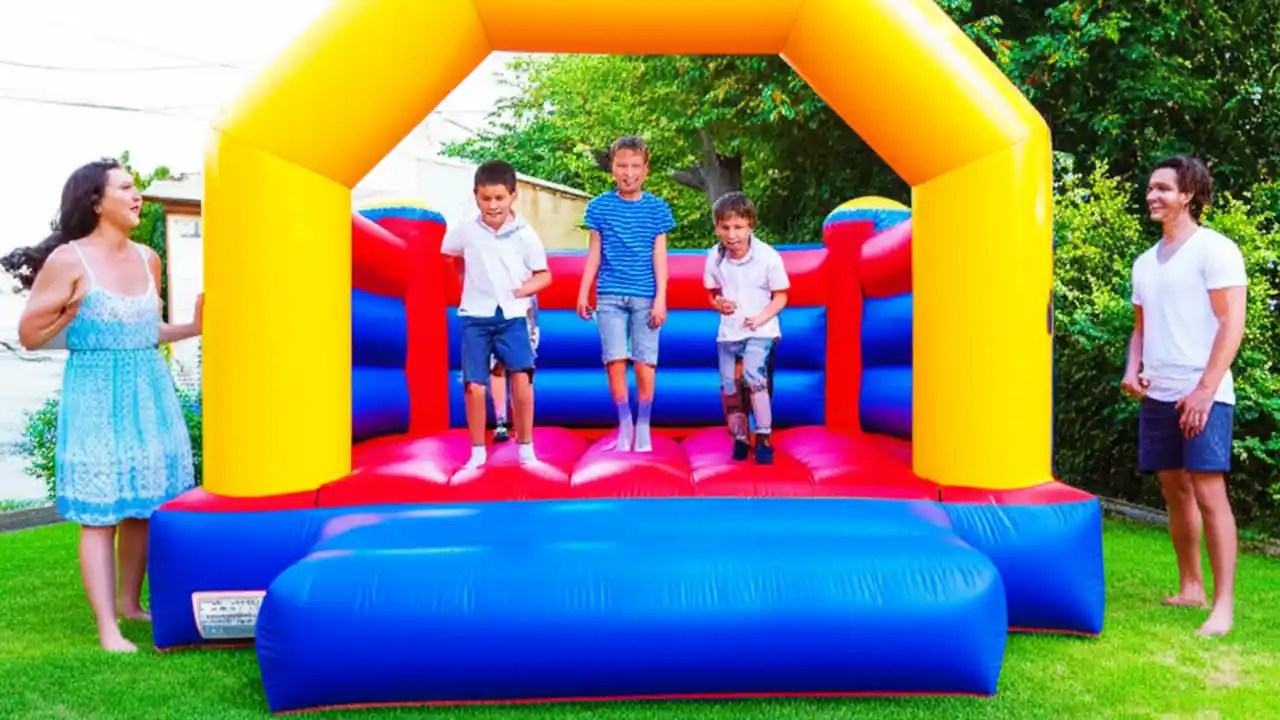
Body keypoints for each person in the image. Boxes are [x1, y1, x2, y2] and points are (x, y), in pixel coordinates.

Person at [17, 158, 202, 652]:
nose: (137, 194)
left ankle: (130, 605)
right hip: (96, 392)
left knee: (143, 505)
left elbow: (147, 329)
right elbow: (30, 334)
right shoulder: (69, 260)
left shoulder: (148, 258)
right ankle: (108, 630)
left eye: (136, 186)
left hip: (148, 387)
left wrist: (193, 328)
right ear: (96, 202)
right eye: (125, 187)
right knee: (100, 515)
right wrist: (70, 312)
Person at [1121, 155, 1247, 637]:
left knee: (1209, 492)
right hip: (1160, 394)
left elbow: (1231, 323)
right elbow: (1140, 328)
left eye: (1163, 189)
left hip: (1205, 392)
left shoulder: (1215, 251)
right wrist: (1134, 369)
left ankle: (1223, 606)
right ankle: (1191, 587)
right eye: (1151, 189)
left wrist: (1204, 390)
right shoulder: (1145, 262)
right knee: (1174, 490)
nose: (1153, 196)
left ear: (1188, 195)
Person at [441, 159, 550, 468]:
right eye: (486, 198)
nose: (492, 205)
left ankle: (527, 450)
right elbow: (448, 255)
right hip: (475, 315)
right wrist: (465, 285)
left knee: (522, 377)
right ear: (475, 195)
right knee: (475, 385)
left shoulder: (524, 234)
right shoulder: (466, 229)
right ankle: (477, 454)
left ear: (513, 196)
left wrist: (522, 290)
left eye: (499, 198)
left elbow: (544, 275)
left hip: (513, 314)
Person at [576, 136, 675, 452]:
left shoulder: (657, 209)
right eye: (622, 166)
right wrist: (583, 290)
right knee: (614, 361)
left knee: (645, 362)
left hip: (645, 295)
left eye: (635, 166)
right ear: (612, 168)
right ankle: (625, 424)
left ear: (646, 170)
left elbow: (660, 256)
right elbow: (594, 253)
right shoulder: (600, 207)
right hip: (609, 295)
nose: (628, 172)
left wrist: (661, 297)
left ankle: (643, 424)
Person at [703, 192, 790, 464]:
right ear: (717, 227)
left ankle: (763, 438)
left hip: (761, 331)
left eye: (738, 227)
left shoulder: (768, 257)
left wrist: (761, 317)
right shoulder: (715, 257)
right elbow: (710, 292)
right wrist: (718, 304)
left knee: (754, 378)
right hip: (729, 333)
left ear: (751, 224)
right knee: (729, 385)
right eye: (725, 228)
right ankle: (741, 437)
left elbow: (781, 295)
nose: (732, 235)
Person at [489, 295, 539, 442]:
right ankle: (501, 422)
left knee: (521, 368)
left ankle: (520, 425)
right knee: (497, 366)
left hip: (521, 301)